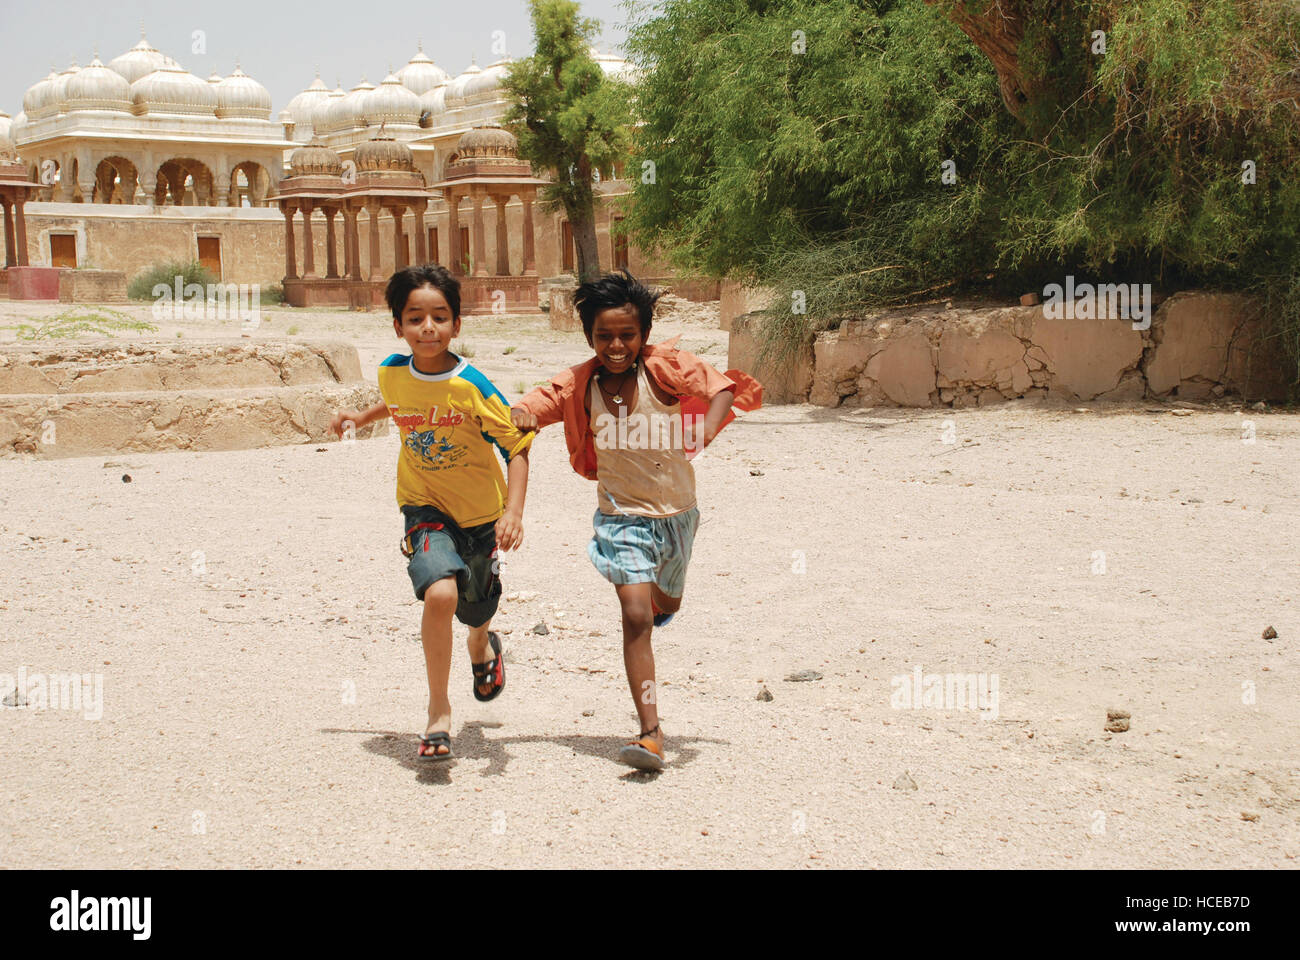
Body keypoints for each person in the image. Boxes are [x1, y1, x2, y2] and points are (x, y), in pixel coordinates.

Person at [510, 271, 761, 770]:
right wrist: (519, 412)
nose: (616, 345)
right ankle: (650, 733)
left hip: (677, 517)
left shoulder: (665, 368)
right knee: (636, 616)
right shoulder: (580, 384)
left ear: (643, 334)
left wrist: (708, 428)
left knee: (666, 602)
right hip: (620, 518)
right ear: (589, 337)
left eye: (627, 335)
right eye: (604, 336)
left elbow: (722, 387)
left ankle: (663, 601)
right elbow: (535, 402)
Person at [331, 263, 532, 761]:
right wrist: (360, 416)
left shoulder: (473, 387)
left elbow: (518, 447)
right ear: (398, 325)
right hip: (423, 507)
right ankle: (439, 711)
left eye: (440, 317)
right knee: (440, 593)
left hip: (482, 516)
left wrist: (514, 511)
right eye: (415, 317)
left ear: (457, 324)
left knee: (476, 606)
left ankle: (482, 646)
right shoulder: (391, 371)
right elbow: (396, 403)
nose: (428, 328)